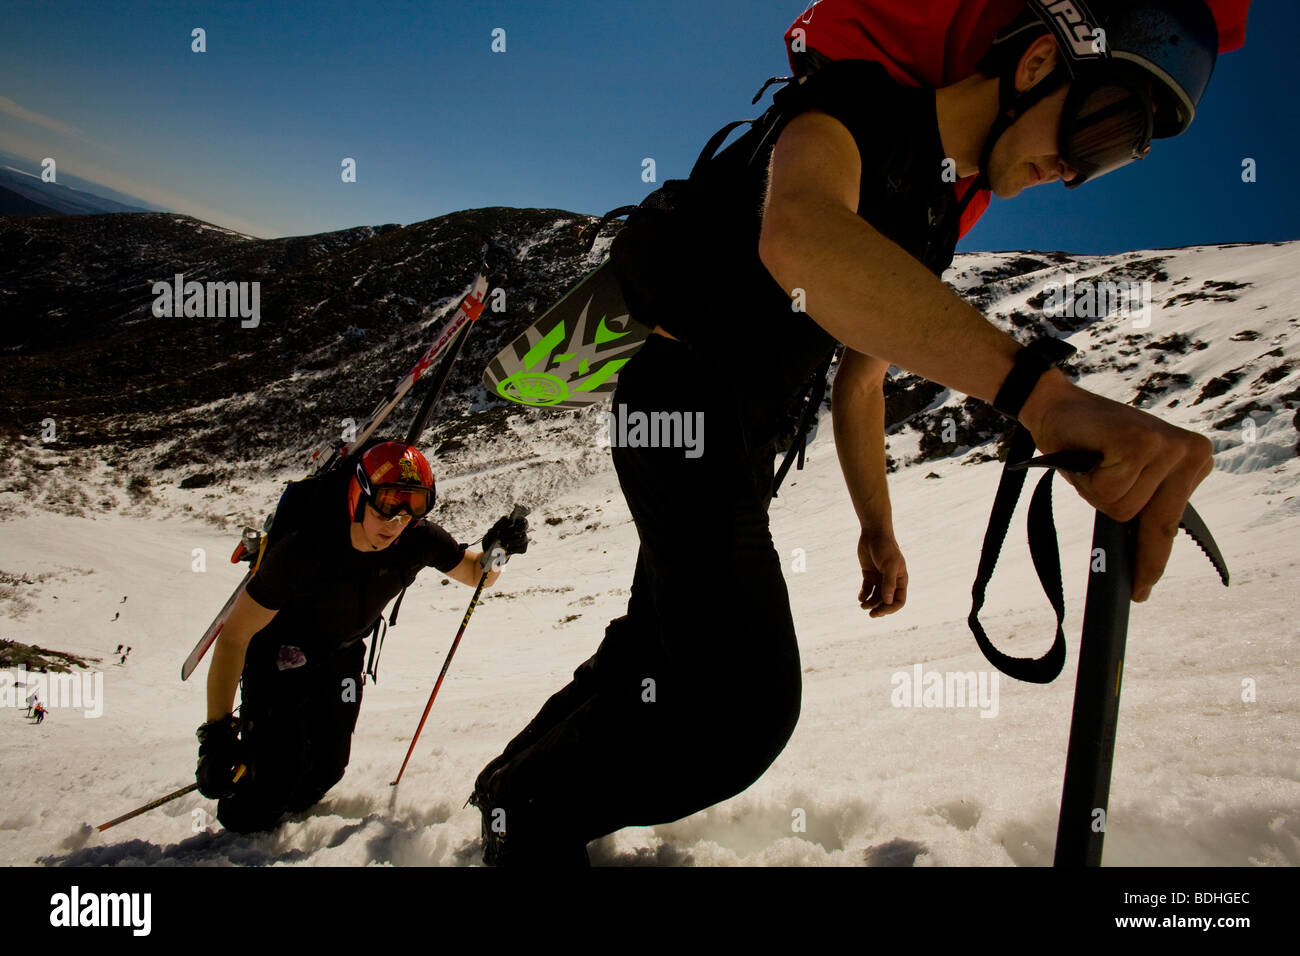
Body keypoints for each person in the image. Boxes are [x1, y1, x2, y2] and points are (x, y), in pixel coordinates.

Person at [470, 0, 1248, 865]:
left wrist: (877, 529)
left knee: (660, 643)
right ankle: (529, 819)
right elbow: (800, 233)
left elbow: (863, 376)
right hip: (682, 414)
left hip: (729, 435)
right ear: (1035, 65)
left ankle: (511, 786)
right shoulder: (854, 106)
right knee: (740, 710)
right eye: (1097, 129)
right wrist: (1040, 394)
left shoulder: (936, 216)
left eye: (1103, 163)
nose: (1072, 170)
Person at [196, 441, 529, 834]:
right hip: (278, 661)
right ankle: (250, 797)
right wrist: (215, 737)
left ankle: (283, 785)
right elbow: (234, 637)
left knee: (327, 769)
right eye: (388, 504)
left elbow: (477, 576)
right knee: (259, 805)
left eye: (414, 507)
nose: (397, 521)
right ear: (358, 494)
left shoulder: (417, 539)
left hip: (342, 657)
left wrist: (500, 552)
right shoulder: (306, 548)